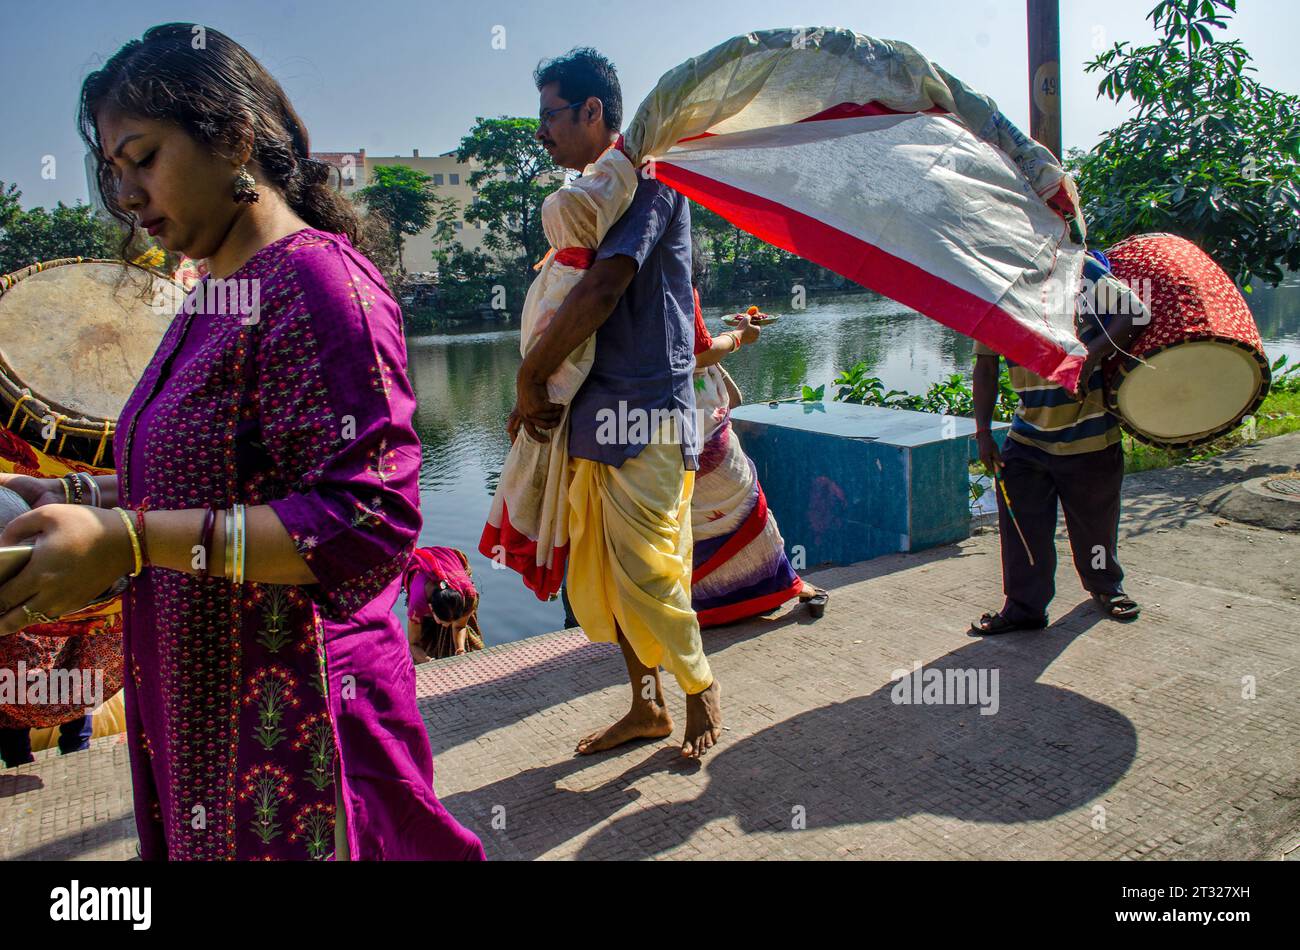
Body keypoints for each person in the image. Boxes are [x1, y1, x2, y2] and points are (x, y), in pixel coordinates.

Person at [0, 24, 482, 861]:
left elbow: (365, 521)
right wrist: (79, 497)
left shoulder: (318, 282)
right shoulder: (213, 296)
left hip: (302, 723)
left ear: (232, 134)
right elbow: (222, 475)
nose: (128, 195)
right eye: (113, 171)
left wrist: (132, 540)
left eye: (143, 157)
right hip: (208, 703)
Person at [514, 48, 723, 758]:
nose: (541, 132)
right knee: (606, 569)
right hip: (595, 408)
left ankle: (699, 690)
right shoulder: (598, 193)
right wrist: (540, 383)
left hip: (647, 407)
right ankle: (647, 708)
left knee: (651, 569)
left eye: (550, 115)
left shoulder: (651, 176)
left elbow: (600, 291)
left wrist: (529, 375)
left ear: (593, 112)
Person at [971, 252, 1144, 634]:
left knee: (1095, 525)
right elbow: (986, 366)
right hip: (1027, 434)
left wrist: (1092, 354)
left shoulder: (1080, 268)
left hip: (1091, 432)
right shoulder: (994, 286)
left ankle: (1106, 587)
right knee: (1022, 529)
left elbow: (1132, 312)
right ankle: (1024, 607)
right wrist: (983, 432)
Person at [687, 268, 828, 624]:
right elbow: (699, 352)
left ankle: (703, 603)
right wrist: (739, 337)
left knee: (693, 518)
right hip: (698, 424)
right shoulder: (670, 277)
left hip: (653, 423)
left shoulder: (615, 283)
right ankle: (778, 587)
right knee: (743, 504)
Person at [402, 546, 484, 662]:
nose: (446, 626)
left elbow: (460, 626)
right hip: (422, 572)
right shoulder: (418, 602)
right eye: (441, 621)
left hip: (449, 563)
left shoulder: (468, 594)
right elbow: (413, 644)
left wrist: (460, 650)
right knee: (426, 641)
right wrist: (429, 662)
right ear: (430, 609)